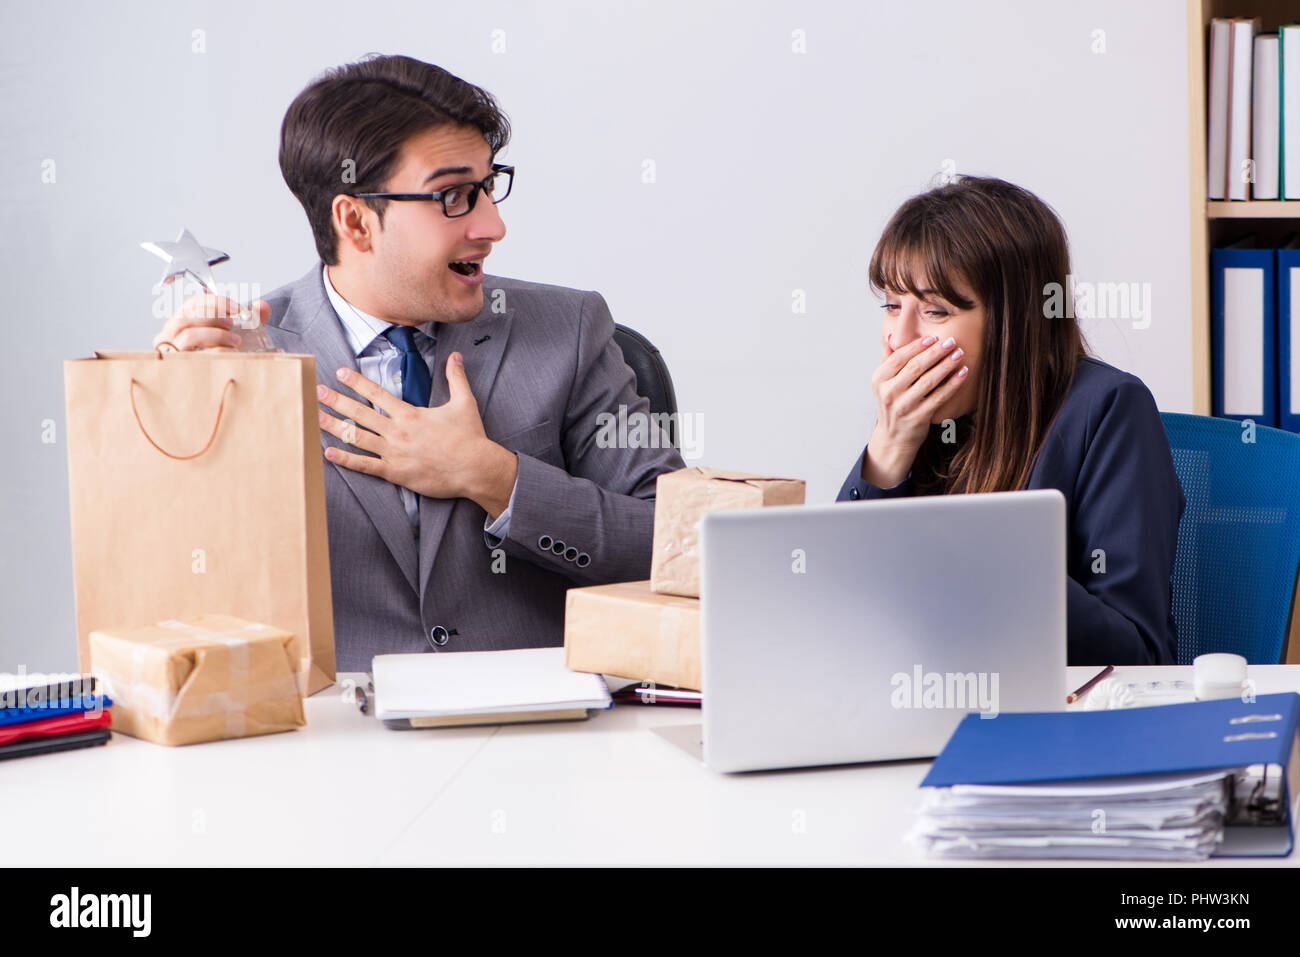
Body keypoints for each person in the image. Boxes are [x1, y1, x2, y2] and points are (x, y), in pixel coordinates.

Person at [152, 54, 685, 670]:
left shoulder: (569, 330)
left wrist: (494, 477)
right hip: (323, 736)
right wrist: (180, 425)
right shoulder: (241, 357)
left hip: (538, 730)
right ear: (355, 220)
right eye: (454, 196)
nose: (493, 224)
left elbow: (671, 546)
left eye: (488, 187)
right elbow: (180, 592)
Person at [838, 176, 1184, 666]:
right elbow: (842, 616)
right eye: (892, 306)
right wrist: (886, 453)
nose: (899, 337)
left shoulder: (1109, 410)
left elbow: (1137, 654)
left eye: (935, 310)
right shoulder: (923, 428)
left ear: (1013, 321)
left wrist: (991, 552)